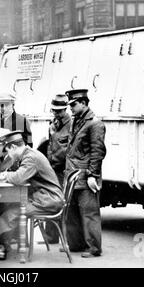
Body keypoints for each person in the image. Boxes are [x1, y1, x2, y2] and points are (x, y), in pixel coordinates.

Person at [0, 130, 65, 260]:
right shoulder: (29, 154)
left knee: (11, 214)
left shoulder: (30, 158)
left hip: (48, 200)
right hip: (43, 197)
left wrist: (5, 175)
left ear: (13, 147)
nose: (9, 155)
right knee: (8, 209)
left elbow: (19, 178)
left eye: (9, 151)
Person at [64, 88, 106, 258]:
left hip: (85, 175)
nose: (71, 108)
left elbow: (98, 152)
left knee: (89, 212)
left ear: (83, 103)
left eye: (73, 104)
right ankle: (76, 244)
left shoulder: (95, 123)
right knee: (72, 211)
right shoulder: (77, 120)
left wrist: (92, 175)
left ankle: (94, 248)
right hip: (73, 175)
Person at [44, 94, 72, 244]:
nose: (56, 113)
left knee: (63, 203)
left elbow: (70, 150)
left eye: (59, 111)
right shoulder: (53, 122)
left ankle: (64, 238)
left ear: (65, 109)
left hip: (63, 170)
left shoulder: (71, 124)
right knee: (50, 200)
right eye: (54, 110)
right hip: (52, 169)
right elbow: (50, 146)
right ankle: (51, 237)